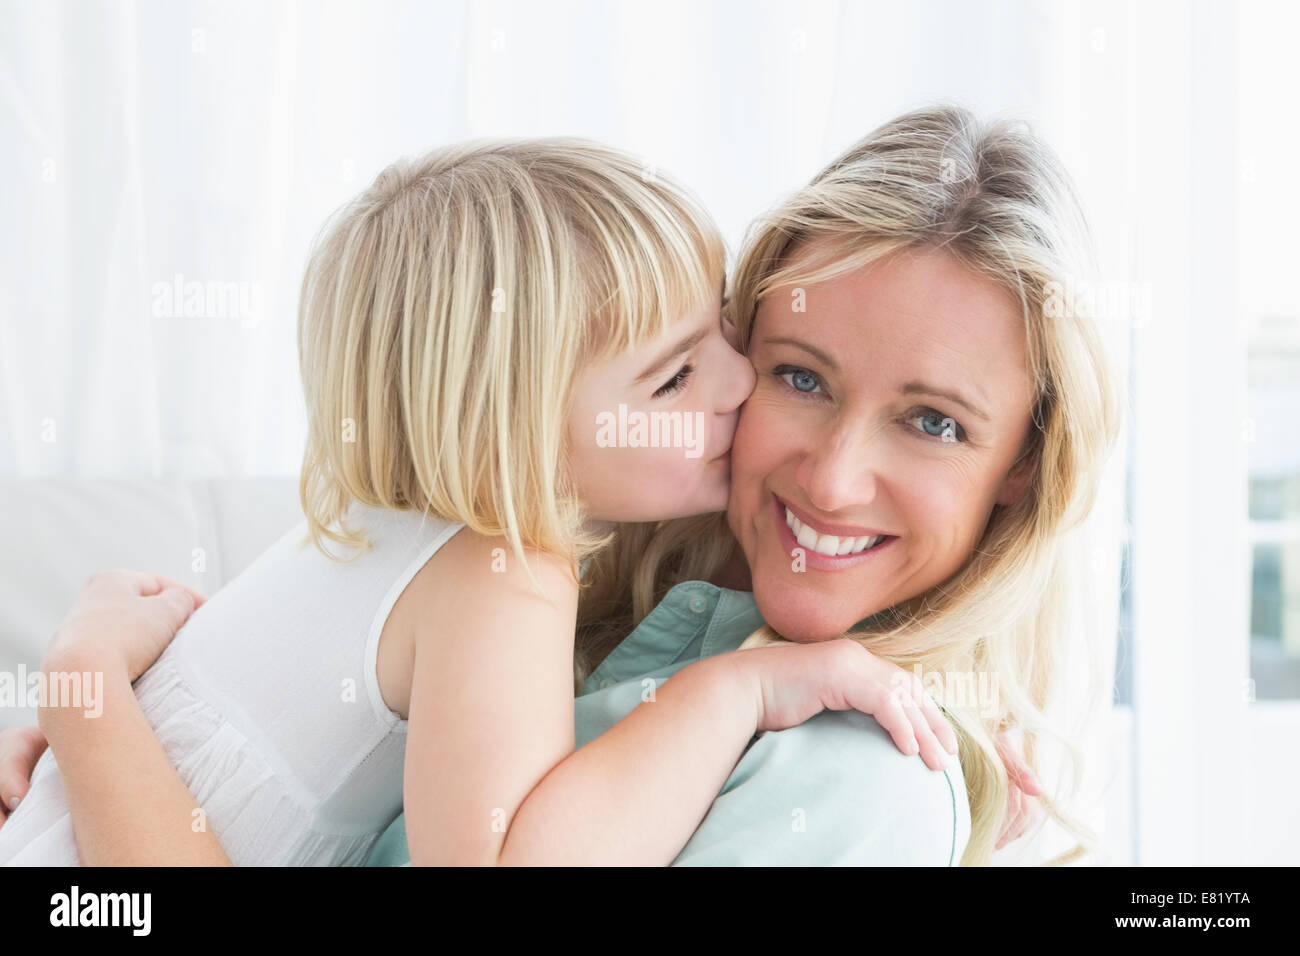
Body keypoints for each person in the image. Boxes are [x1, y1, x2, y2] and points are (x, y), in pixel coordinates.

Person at [0, 138, 957, 867]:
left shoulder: (394, 535)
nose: (741, 378)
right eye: (673, 380)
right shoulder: (503, 572)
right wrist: (740, 689)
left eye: (723, 329)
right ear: (512, 436)